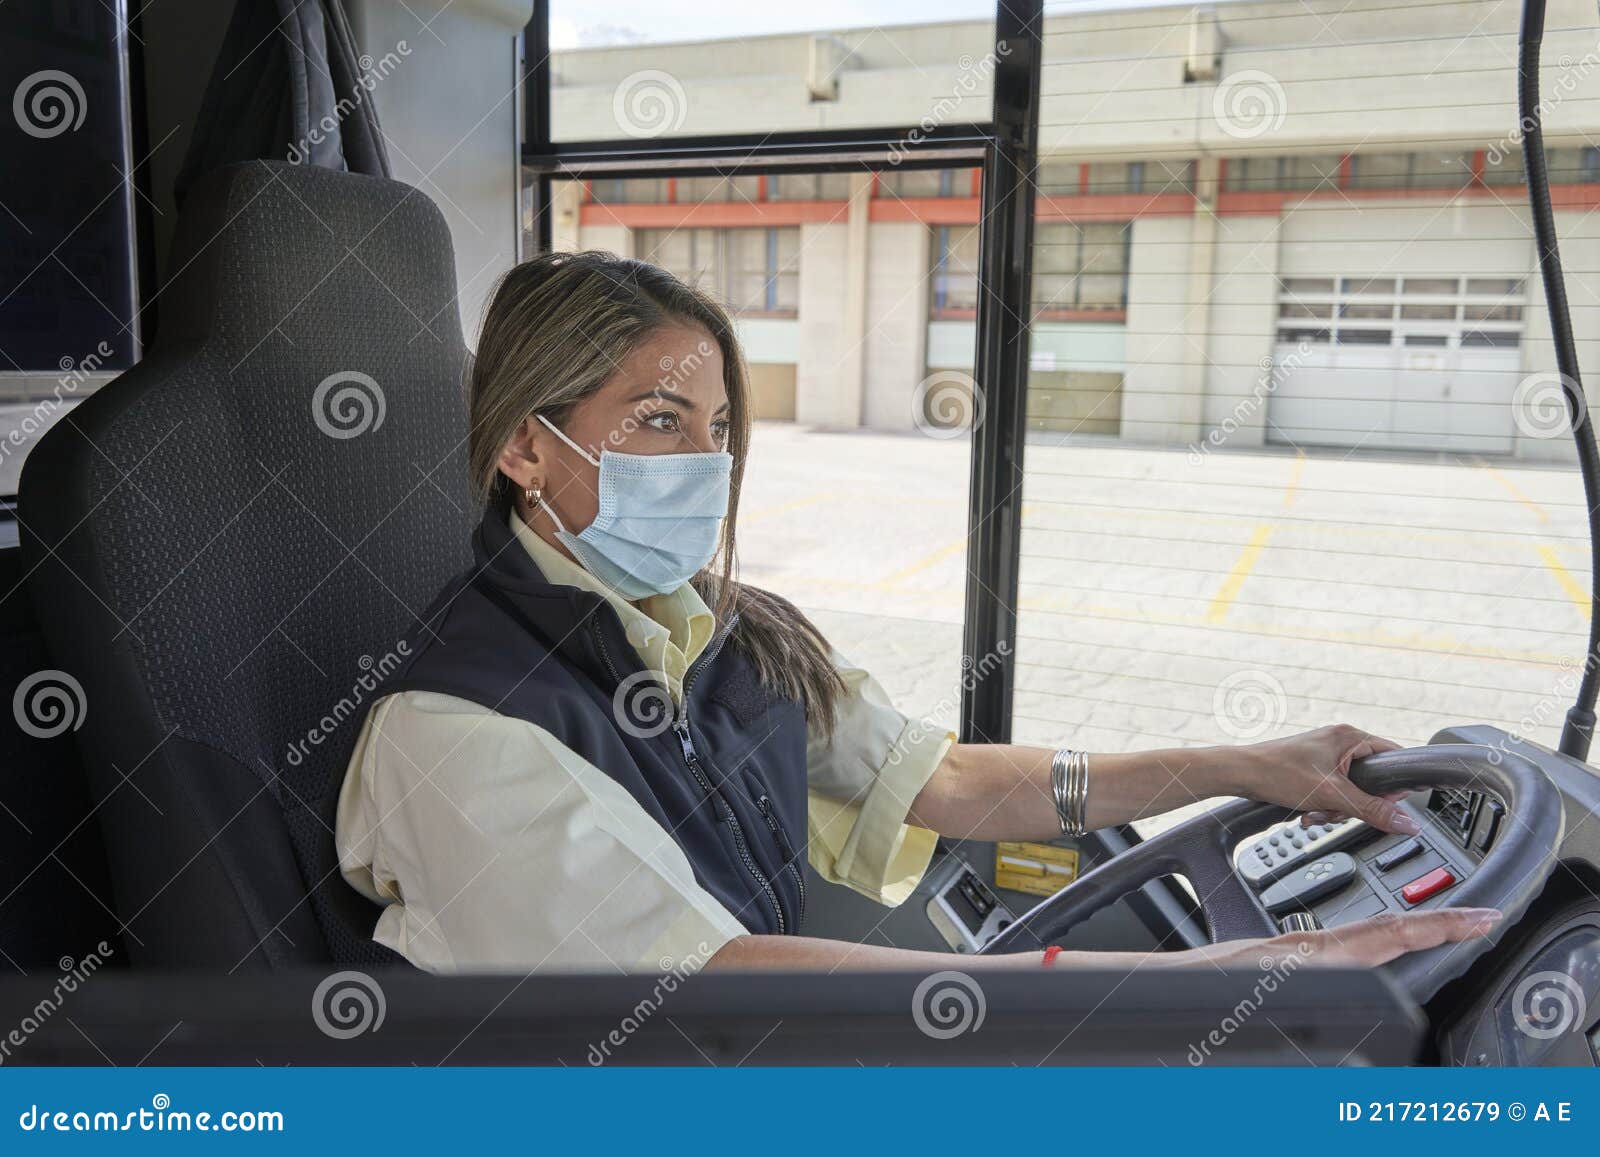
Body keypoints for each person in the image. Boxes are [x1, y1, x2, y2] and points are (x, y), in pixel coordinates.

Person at [334, 251, 1499, 975]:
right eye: (655, 421)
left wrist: (1250, 763)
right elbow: (709, 977)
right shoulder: (455, 729)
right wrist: (1213, 977)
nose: (707, 463)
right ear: (527, 450)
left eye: (719, 427)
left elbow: (946, 784)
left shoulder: (716, 631)